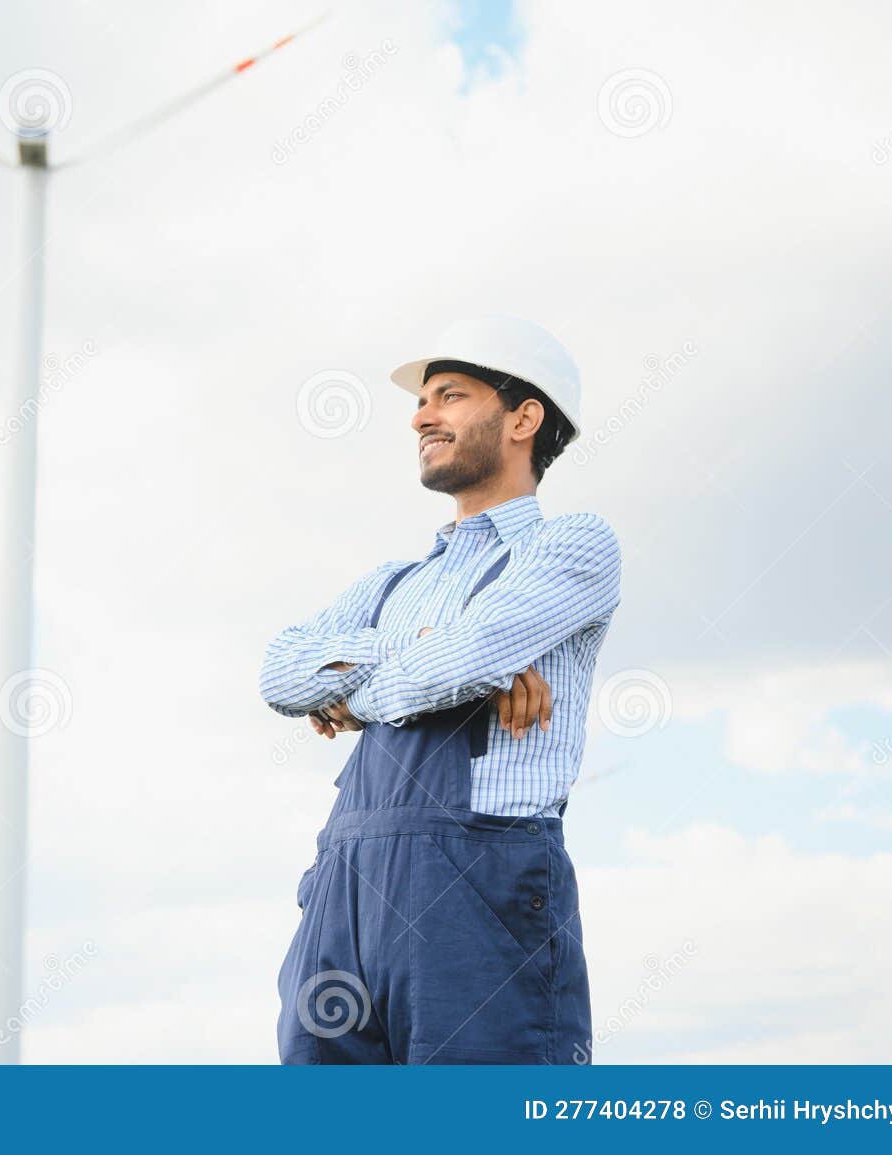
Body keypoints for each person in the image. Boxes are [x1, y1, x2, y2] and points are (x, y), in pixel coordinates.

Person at [259, 316, 622, 1064]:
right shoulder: (391, 582)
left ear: (524, 418)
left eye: (450, 395)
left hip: (476, 892)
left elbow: (462, 660)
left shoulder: (572, 544)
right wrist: (439, 663)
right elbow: (279, 673)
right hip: (344, 890)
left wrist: (350, 695)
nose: (422, 417)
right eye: (422, 402)